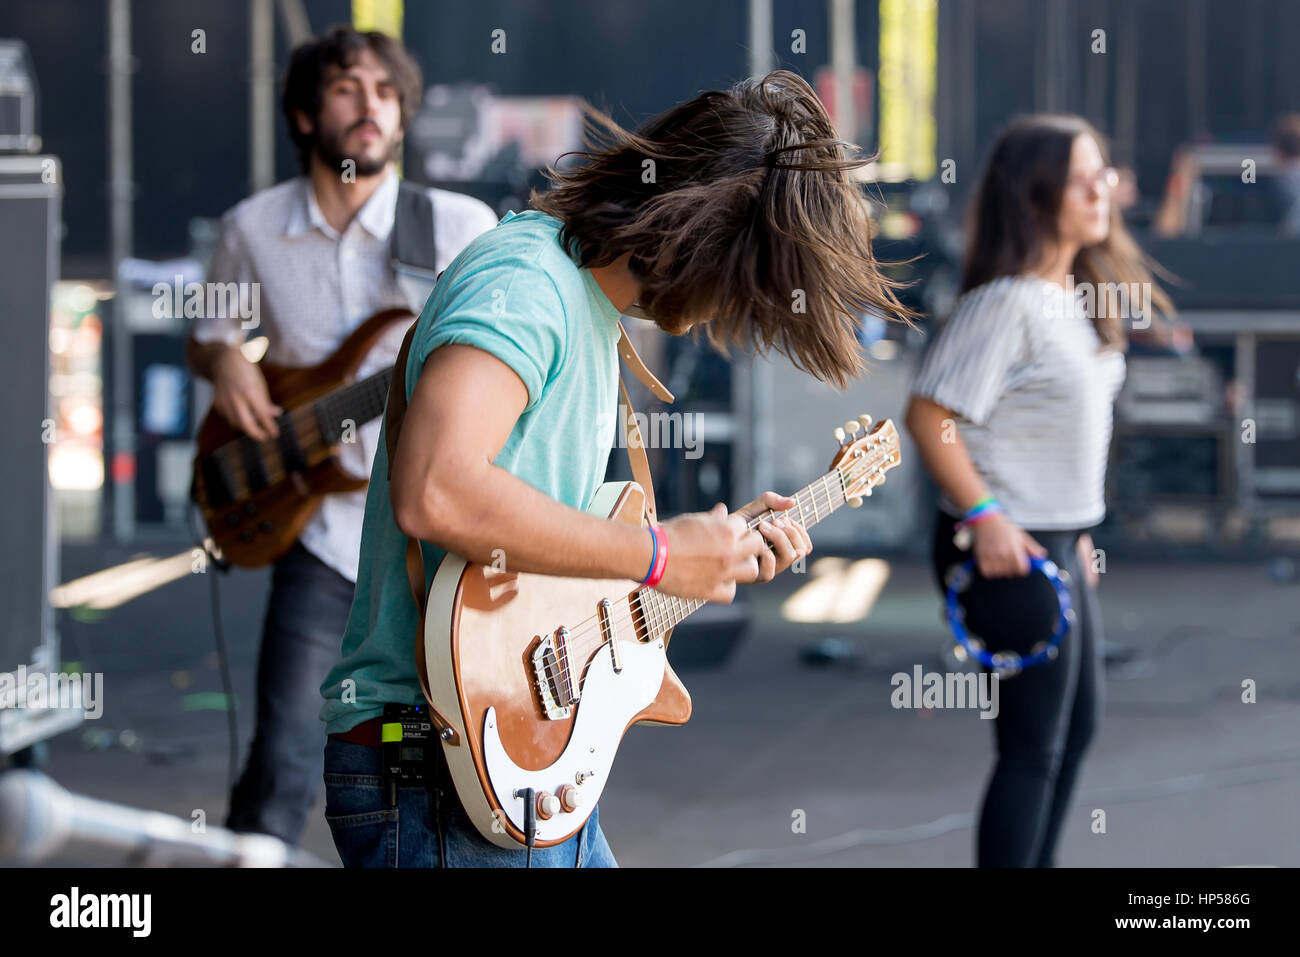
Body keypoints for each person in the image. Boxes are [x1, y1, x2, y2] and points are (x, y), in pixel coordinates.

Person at [318, 69, 911, 867]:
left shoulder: (584, 306)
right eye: (737, 290)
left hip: (524, 769)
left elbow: (553, 558)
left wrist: (711, 550)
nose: (721, 317)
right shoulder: (526, 284)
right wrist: (664, 554)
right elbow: (436, 488)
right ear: (704, 236)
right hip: (435, 773)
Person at [186, 25, 498, 846]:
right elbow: (211, 329)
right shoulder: (251, 228)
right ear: (301, 114)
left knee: (449, 745)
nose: (370, 106)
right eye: (347, 88)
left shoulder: (461, 226)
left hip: (441, 539)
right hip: (320, 533)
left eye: (386, 92)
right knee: (286, 751)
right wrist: (226, 362)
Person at [904, 114, 1174, 867]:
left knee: (1074, 731)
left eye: (1104, 172)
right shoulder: (1006, 304)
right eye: (1082, 177)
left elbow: (1053, 436)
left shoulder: (1075, 295)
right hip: (998, 543)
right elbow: (929, 416)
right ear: (1035, 195)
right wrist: (987, 515)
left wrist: (1078, 532)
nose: (1103, 188)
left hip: (1056, 538)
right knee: (1033, 747)